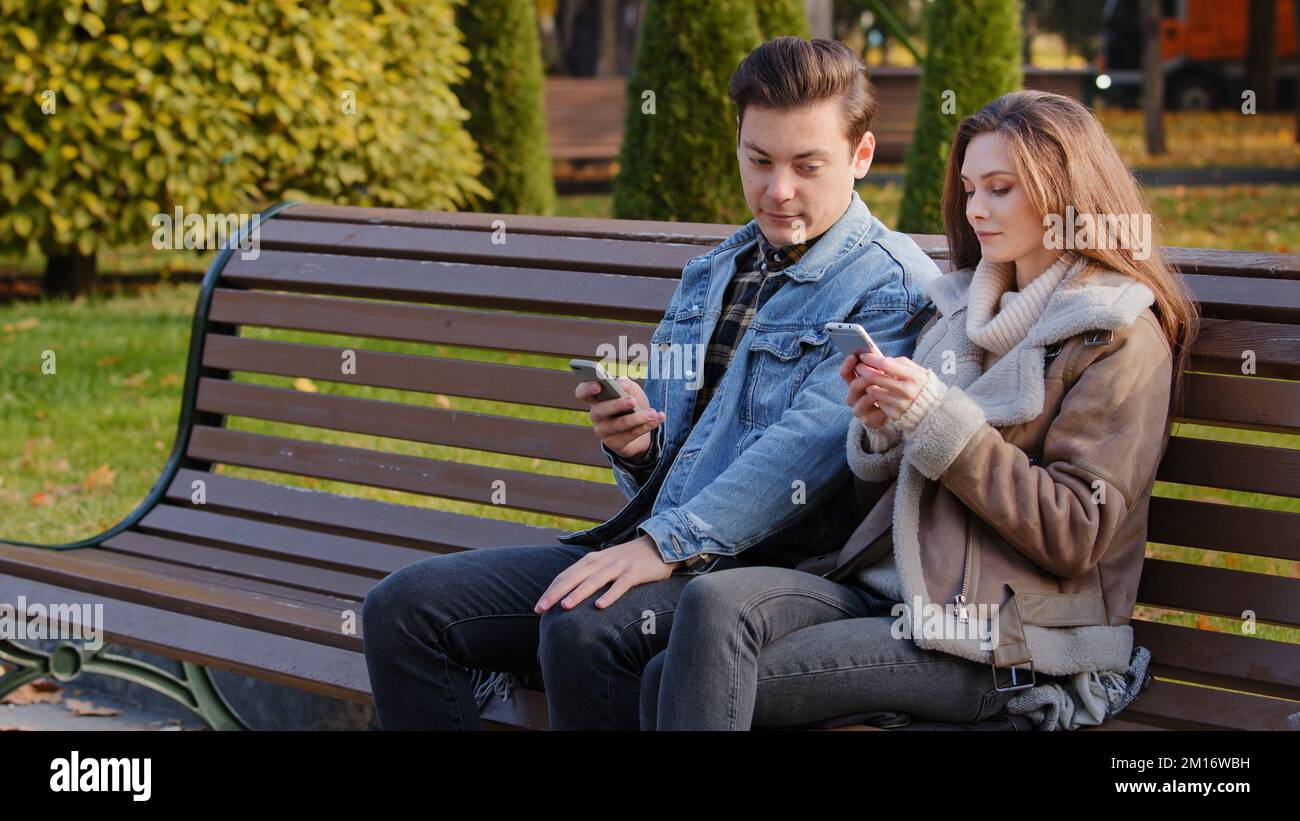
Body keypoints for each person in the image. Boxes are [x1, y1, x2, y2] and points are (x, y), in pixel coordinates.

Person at [361, 37, 941, 730]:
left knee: (584, 625)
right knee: (404, 610)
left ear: (862, 157)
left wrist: (663, 544)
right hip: (660, 548)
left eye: (806, 166)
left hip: (784, 580)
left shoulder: (890, 287)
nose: (777, 189)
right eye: (758, 160)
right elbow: (661, 472)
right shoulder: (714, 273)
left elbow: (802, 451)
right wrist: (635, 446)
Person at [641, 89, 1197, 731]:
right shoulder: (961, 314)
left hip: (1003, 636)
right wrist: (880, 432)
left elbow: (1075, 532)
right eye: (969, 189)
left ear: (1065, 194)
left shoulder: (1117, 336)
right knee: (708, 609)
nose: (977, 210)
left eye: (1001, 189)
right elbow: (883, 503)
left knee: (696, 678)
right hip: (891, 596)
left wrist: (938, 422)